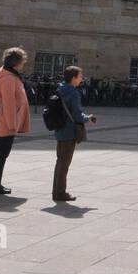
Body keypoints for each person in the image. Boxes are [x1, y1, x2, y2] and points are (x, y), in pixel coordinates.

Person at [0, 47, 30, 196]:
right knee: (2, 153)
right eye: (23, 61)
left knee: (2, 153)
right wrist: (12, 125)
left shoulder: (8, 75)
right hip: (7, 121)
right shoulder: (9, 78)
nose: (23, 64)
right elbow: (8, 103)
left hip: (7, 120)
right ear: (17, 63)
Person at [53, 65, 96, 202]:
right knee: (64, 163)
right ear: (73, 78)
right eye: (80, 77)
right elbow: (77, 115)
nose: (81, 79)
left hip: (60, 129)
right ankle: (60, 193)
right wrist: (87, 118)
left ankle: (56, 191)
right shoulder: (73, 93)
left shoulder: (60, 89)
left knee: (60, 162)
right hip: (69, 131)